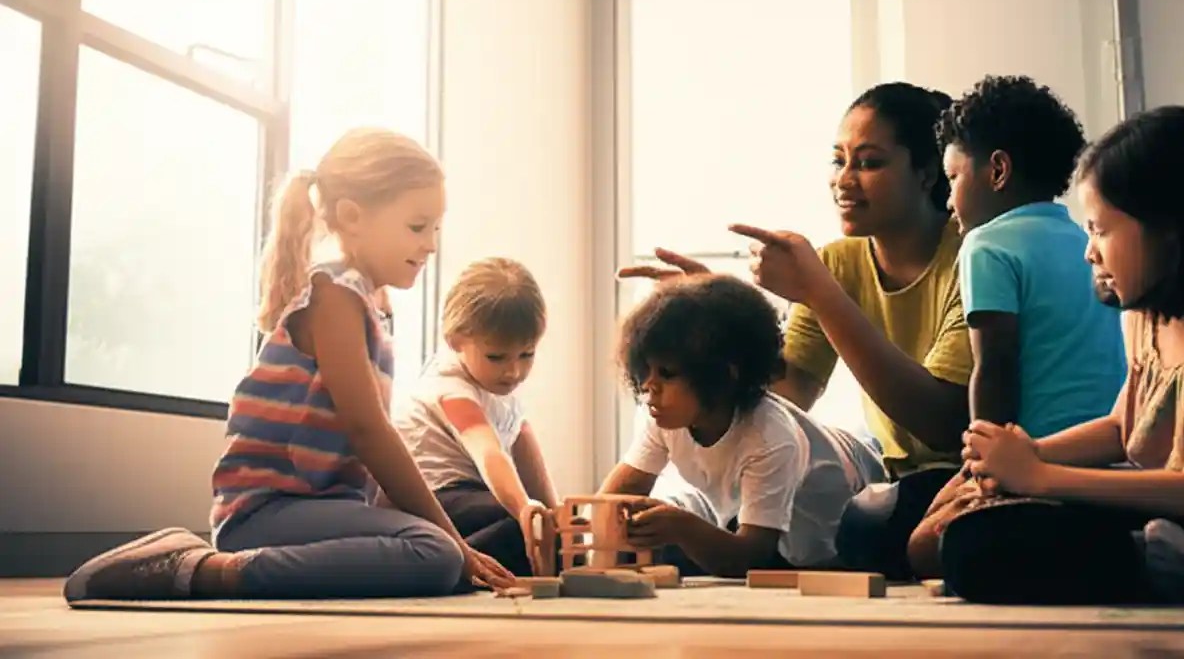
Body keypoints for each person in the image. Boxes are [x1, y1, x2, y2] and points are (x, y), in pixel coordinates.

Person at [64, 128, 515, 602]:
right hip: (266, 512)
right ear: (351, 217)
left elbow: (366, 457)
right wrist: (456, 545)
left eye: (437, 229)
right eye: (418, 227)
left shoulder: (375, 305)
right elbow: (370, 431)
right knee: (437, 553)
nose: (431, 245)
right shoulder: (335, 298)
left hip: (323, 508)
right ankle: (202, 571)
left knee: (436, 551)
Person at [625, 82, 972, 578]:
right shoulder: (836, 262)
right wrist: (712, 316)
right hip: (887, 471)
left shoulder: (968, 255)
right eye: (839, 161)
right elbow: (785, 393)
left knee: (865, 530)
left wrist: (821, 292)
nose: (844, 181)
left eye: (869, 163)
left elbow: (939, 422)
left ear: (926, 171)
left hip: (957, 472)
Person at [940, 106, 1184, 605]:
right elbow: (1124, 427)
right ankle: (1175, 568)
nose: (1089, 252)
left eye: (1100, 230)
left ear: (1170, 229)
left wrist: (1040, 476)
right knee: (977, 541)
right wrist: (1029, 453)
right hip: (1173, 523)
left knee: (989, 552)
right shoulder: (1146, 316)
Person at [905, 75, 1126, 578]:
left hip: (1033, 455)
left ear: (997, 170)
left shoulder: (986, 244)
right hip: (1105, 456)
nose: (947, 201)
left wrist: (980, 466)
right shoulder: (1081, 239)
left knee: (922, 547)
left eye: (954, 178)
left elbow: (995, 365)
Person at [598, 274, 886, 577]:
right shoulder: (666, 415)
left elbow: (752, 558)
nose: (649, 385)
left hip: (850, 498)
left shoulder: (769, 437)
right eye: (646, 370)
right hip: (753, 501)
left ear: (724, 375)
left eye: (667, 373)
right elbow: (624, 488)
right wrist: (585, 529)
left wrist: (679, 526)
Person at [393, 257, 558, 575]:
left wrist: (554, 515)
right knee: (513, 527)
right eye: (496, 357)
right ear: (456, 339)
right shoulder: (452, 389)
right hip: (439, 499)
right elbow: (489, 452)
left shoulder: (498, 388)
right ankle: (442, 563)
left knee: (550, 535)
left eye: (527, 354)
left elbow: (522, 443)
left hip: (475, 497)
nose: (514, 371)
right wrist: (524, 509)